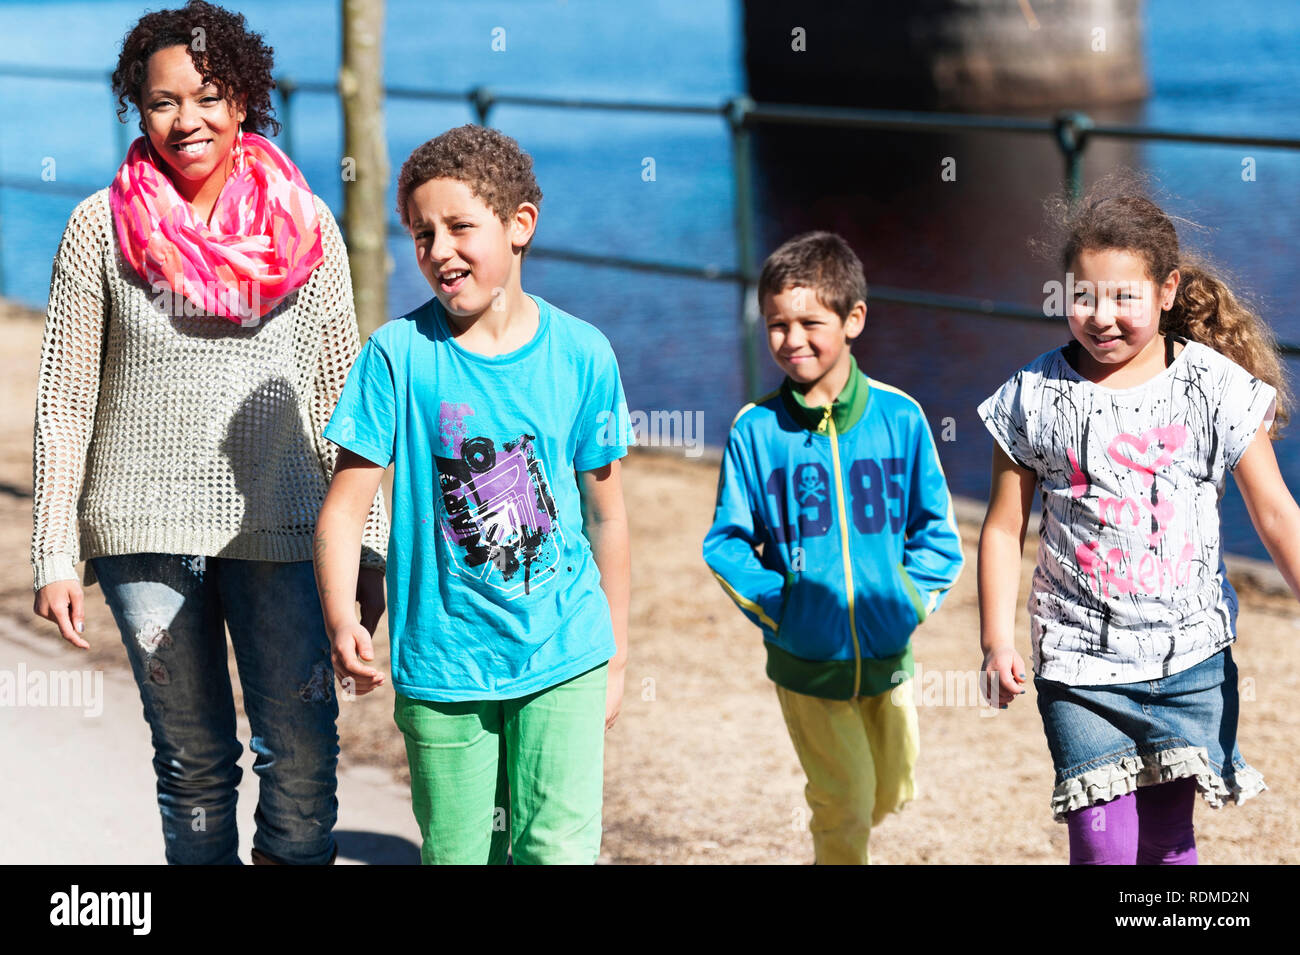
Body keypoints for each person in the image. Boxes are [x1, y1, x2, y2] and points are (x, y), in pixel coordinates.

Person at [30, 0, 388, 865]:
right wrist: (53, 553)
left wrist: (369, 548)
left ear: (244, 101)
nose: (185, 120)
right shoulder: (96, 229)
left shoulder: (306, 230)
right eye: (162, 101)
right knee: (192, 761)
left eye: (207, 95)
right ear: (136, 107)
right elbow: (65, 399)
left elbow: (351, 403)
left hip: (287, 529)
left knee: (300, 753)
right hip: (141, 535)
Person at [313, 124, 631, 865]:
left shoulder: (584, 354)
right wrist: (340, 618)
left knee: (555, 849)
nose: (438, 250)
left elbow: (607, 514)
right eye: (422, 234)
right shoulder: (396, 356)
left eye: (460, 226)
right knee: (459, 853)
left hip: (566, 650)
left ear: (520, 225)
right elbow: (344, 509)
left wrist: (615, 655)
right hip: (443, 667)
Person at [977, 188, 1300, 864]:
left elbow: (1274, 512)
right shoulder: (1034, 398)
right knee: (1102, 852)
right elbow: (1004, 528)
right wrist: (994, 640)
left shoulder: (1214, 387)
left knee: (1166, 841)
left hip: (1188, 663)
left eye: (1124, 297)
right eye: (1084, 297)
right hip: (1079, 667)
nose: (1102, 317)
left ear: (1166, 289)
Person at [702, 231, 964, 864]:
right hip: (807, 661)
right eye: (776, 325)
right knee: (844, 802)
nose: (791, 341)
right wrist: (785, 610)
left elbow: (938, 535)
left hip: (887, 650)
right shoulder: (755, 429)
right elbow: (727, 544)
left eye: (809, 323)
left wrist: (906, 599)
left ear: (853, 320)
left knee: (888, 791)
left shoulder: (900, 417)